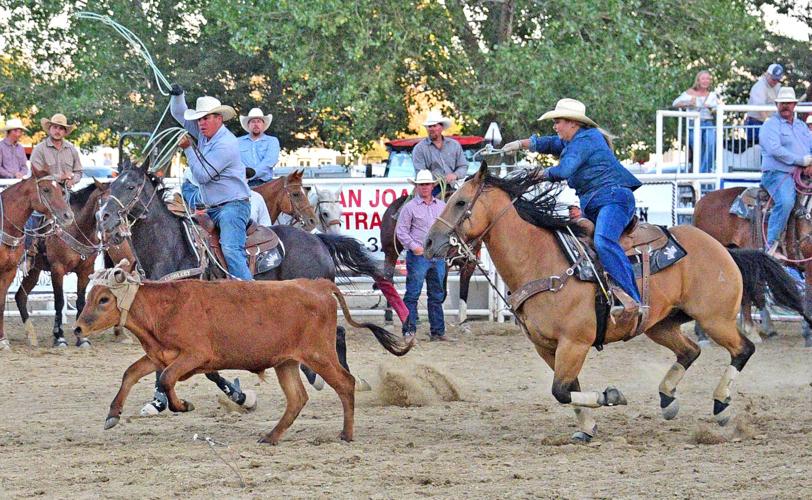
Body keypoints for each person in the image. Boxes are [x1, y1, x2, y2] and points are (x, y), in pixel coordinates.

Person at [503, 98, 643, 323]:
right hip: (598, 202)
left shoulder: (585, 140)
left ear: (572, 123)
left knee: (604, 241)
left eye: (558, 122)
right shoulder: (577, 140)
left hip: (613, 198)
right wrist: (521, 144)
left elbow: (565, 169)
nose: (555, 126)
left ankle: (632, 299)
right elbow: (549, 143)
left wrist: (538, 174)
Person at [169, 84, 253, 280]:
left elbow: (203, 176)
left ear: (218, 118)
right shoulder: (206, 134)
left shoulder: (227, 143)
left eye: (205, 118)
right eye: (199, 119)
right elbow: (179, 114)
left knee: (231, 250)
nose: (201, 123)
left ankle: (250, 292)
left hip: (233, 207)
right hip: (213, 207)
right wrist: (177, 95)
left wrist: (188, 149)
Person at [396, 169, 450, 342]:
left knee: (436, 294)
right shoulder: (410, 208)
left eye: (427, 184)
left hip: (437, 255)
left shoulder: (441, 206)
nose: (425, 187)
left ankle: (437, 331)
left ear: (432, 186)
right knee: (413, 293)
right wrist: (414, 247)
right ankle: (409, 331)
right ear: (417, 186)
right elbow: (401, 231)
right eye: (421, 185)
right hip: (419, 255)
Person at [759, 87, 812, 259]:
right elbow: (775, 150)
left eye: (788, 103)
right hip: (777, 173)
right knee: (786, 201)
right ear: (777, 105)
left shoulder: (801, 126)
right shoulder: (770, 125)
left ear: (794, 105)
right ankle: (772, 245)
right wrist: (801, 161)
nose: (785, 106)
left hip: (801, 174)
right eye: (782, 103)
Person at [25, 114, 83, 268]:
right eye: (55, 127)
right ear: (49, 129)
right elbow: (36, 174)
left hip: (66, 192)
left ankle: (86, 251)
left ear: (64, 132)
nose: (58, 131)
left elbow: (78, 171)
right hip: (45, 193)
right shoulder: (40, 149)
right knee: (35, 217)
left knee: (84, 214)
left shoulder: (71, 149)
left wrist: (73, 180)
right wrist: (60, 176)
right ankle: (29, 252)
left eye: (61, 128)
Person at [672, 70, 721, 173]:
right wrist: (689, 102)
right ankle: (699, 176)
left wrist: (713, 108)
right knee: (697, 150)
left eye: (708, 79)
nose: (706, 81)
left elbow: (718, 109)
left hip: (708, 123)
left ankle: (703, 174)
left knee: (711, 146)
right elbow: (675, 103)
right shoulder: (690, 93)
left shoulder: (712, 95)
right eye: (703, 78)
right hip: (694, 124)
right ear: (698, 80)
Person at [412, 110, 467, 195]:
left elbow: (463, 166)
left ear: (441, 127)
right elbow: (420, 173)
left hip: (451, 187)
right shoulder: (419, 149)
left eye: (434, 126)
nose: (431, 129)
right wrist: (435, 181)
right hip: (430, 190)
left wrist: (455, 175)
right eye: (429, 126)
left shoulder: (454, 145)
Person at [238, 108, 280, 187]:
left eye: (259, 121)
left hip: (266, 184)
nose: (256, 124)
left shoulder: (272, 141)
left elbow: (269, 162)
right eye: (253, 121)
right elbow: (235, 161)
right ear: (248, 125)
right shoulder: (238, 142)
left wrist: (250, 175)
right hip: (243, 184)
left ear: (263, 125)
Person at [745, 63, 784, 145]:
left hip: (770, 123)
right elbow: (760, 108)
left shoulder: (777, 86)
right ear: (767, 74)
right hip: (756, 123)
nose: (775, 82)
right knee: (756, 150)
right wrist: (769, 123)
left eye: (778, 79)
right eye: (773, 79)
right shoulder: (759, 87)